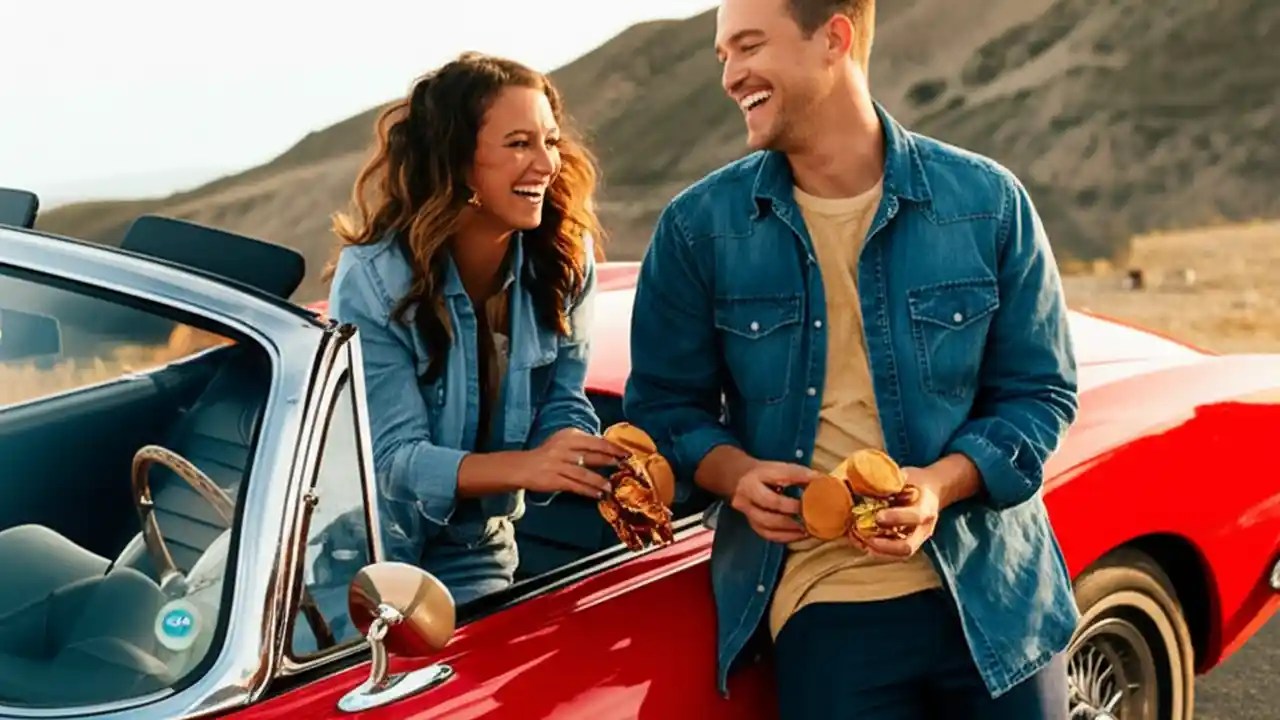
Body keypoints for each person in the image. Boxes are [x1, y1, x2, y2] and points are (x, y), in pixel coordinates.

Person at [623, 1, 1079, 718]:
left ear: (834, 38)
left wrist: (939, 485)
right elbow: (661, 409)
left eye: (748, 47)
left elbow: (1039, 392)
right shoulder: (697, 231)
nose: (731, 75)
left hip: (996, 597)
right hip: (825, 614)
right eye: (723, 57)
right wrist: (735, 475)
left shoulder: (987, 202)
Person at [327, 52, 628, 606]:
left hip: (477, 547)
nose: (545, 163)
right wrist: (529, 468)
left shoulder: (564, 261)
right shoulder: (373, 279)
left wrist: (570, 449)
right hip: (364, 554)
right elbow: (395, 460)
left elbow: (563, 399)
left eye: (551, 141)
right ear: (458, 160)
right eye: (519, 144)